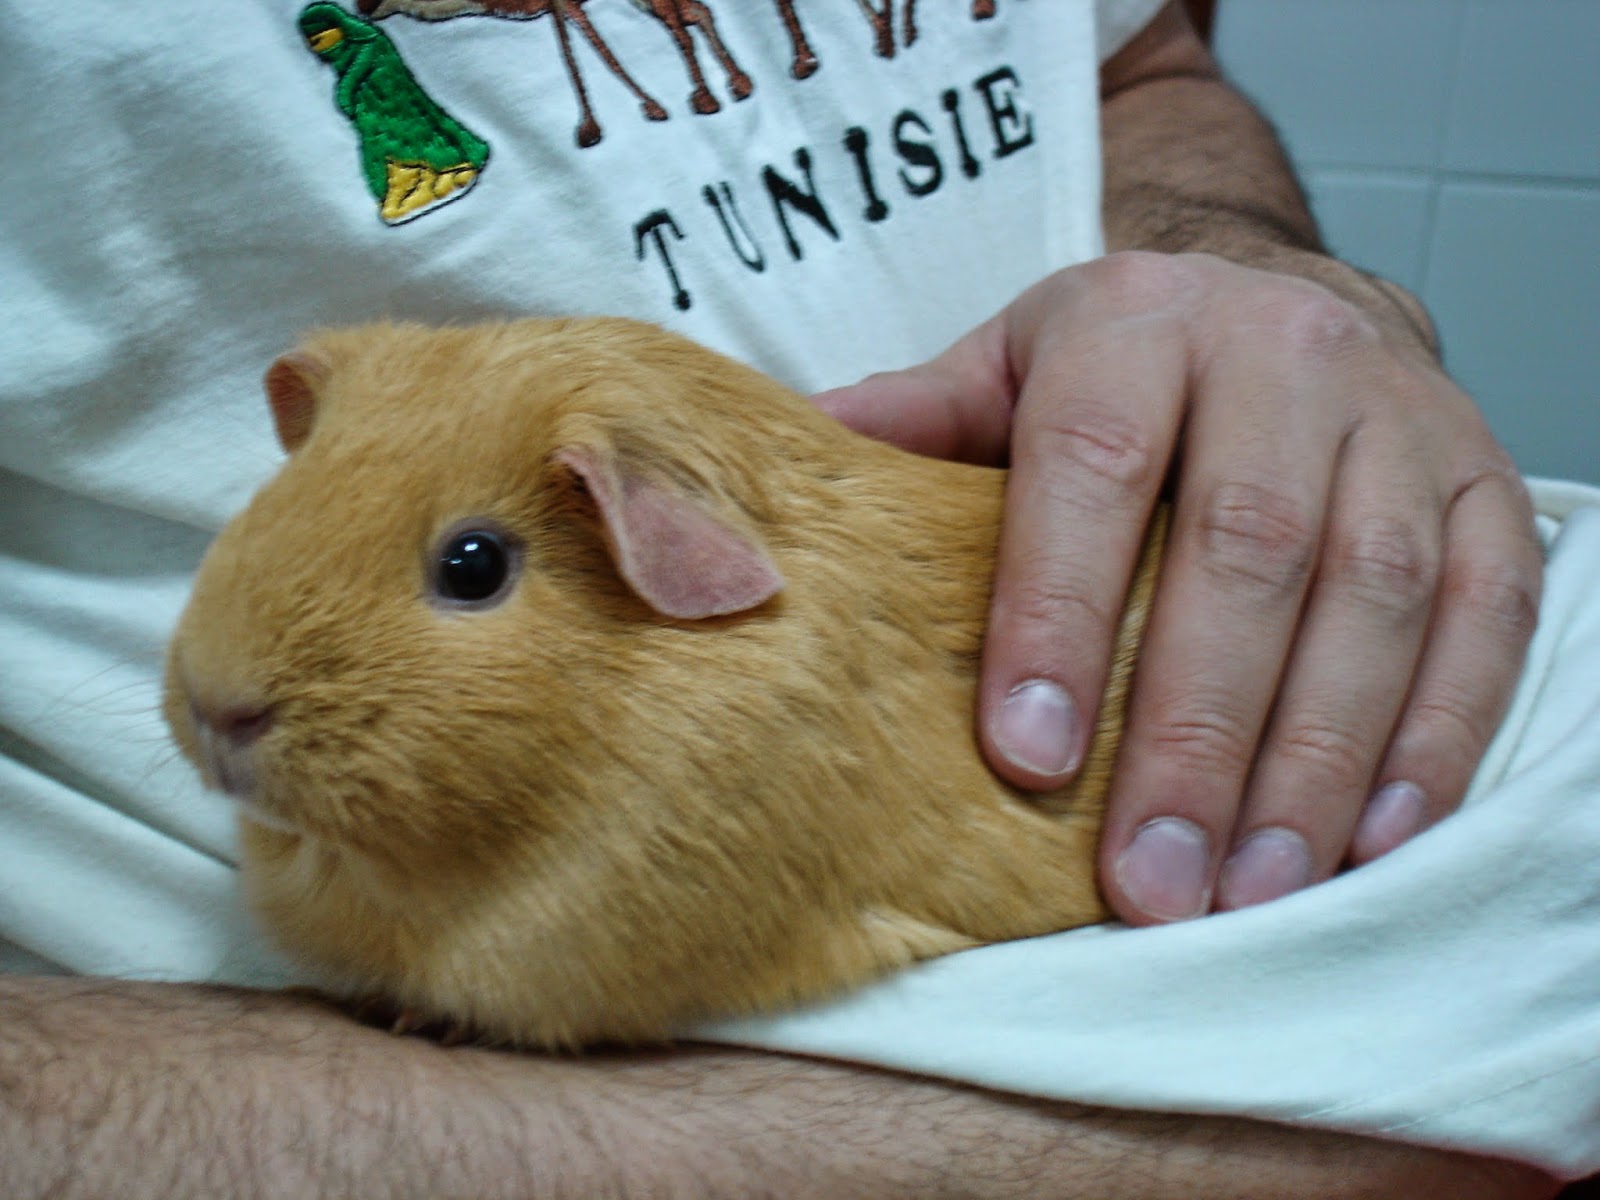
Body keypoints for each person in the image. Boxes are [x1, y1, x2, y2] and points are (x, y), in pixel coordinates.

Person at [0, 2, 1590, 1195]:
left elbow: (1143, 59)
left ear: (667, 551)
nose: (229, 685)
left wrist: (1261, 279)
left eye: (474, 572)